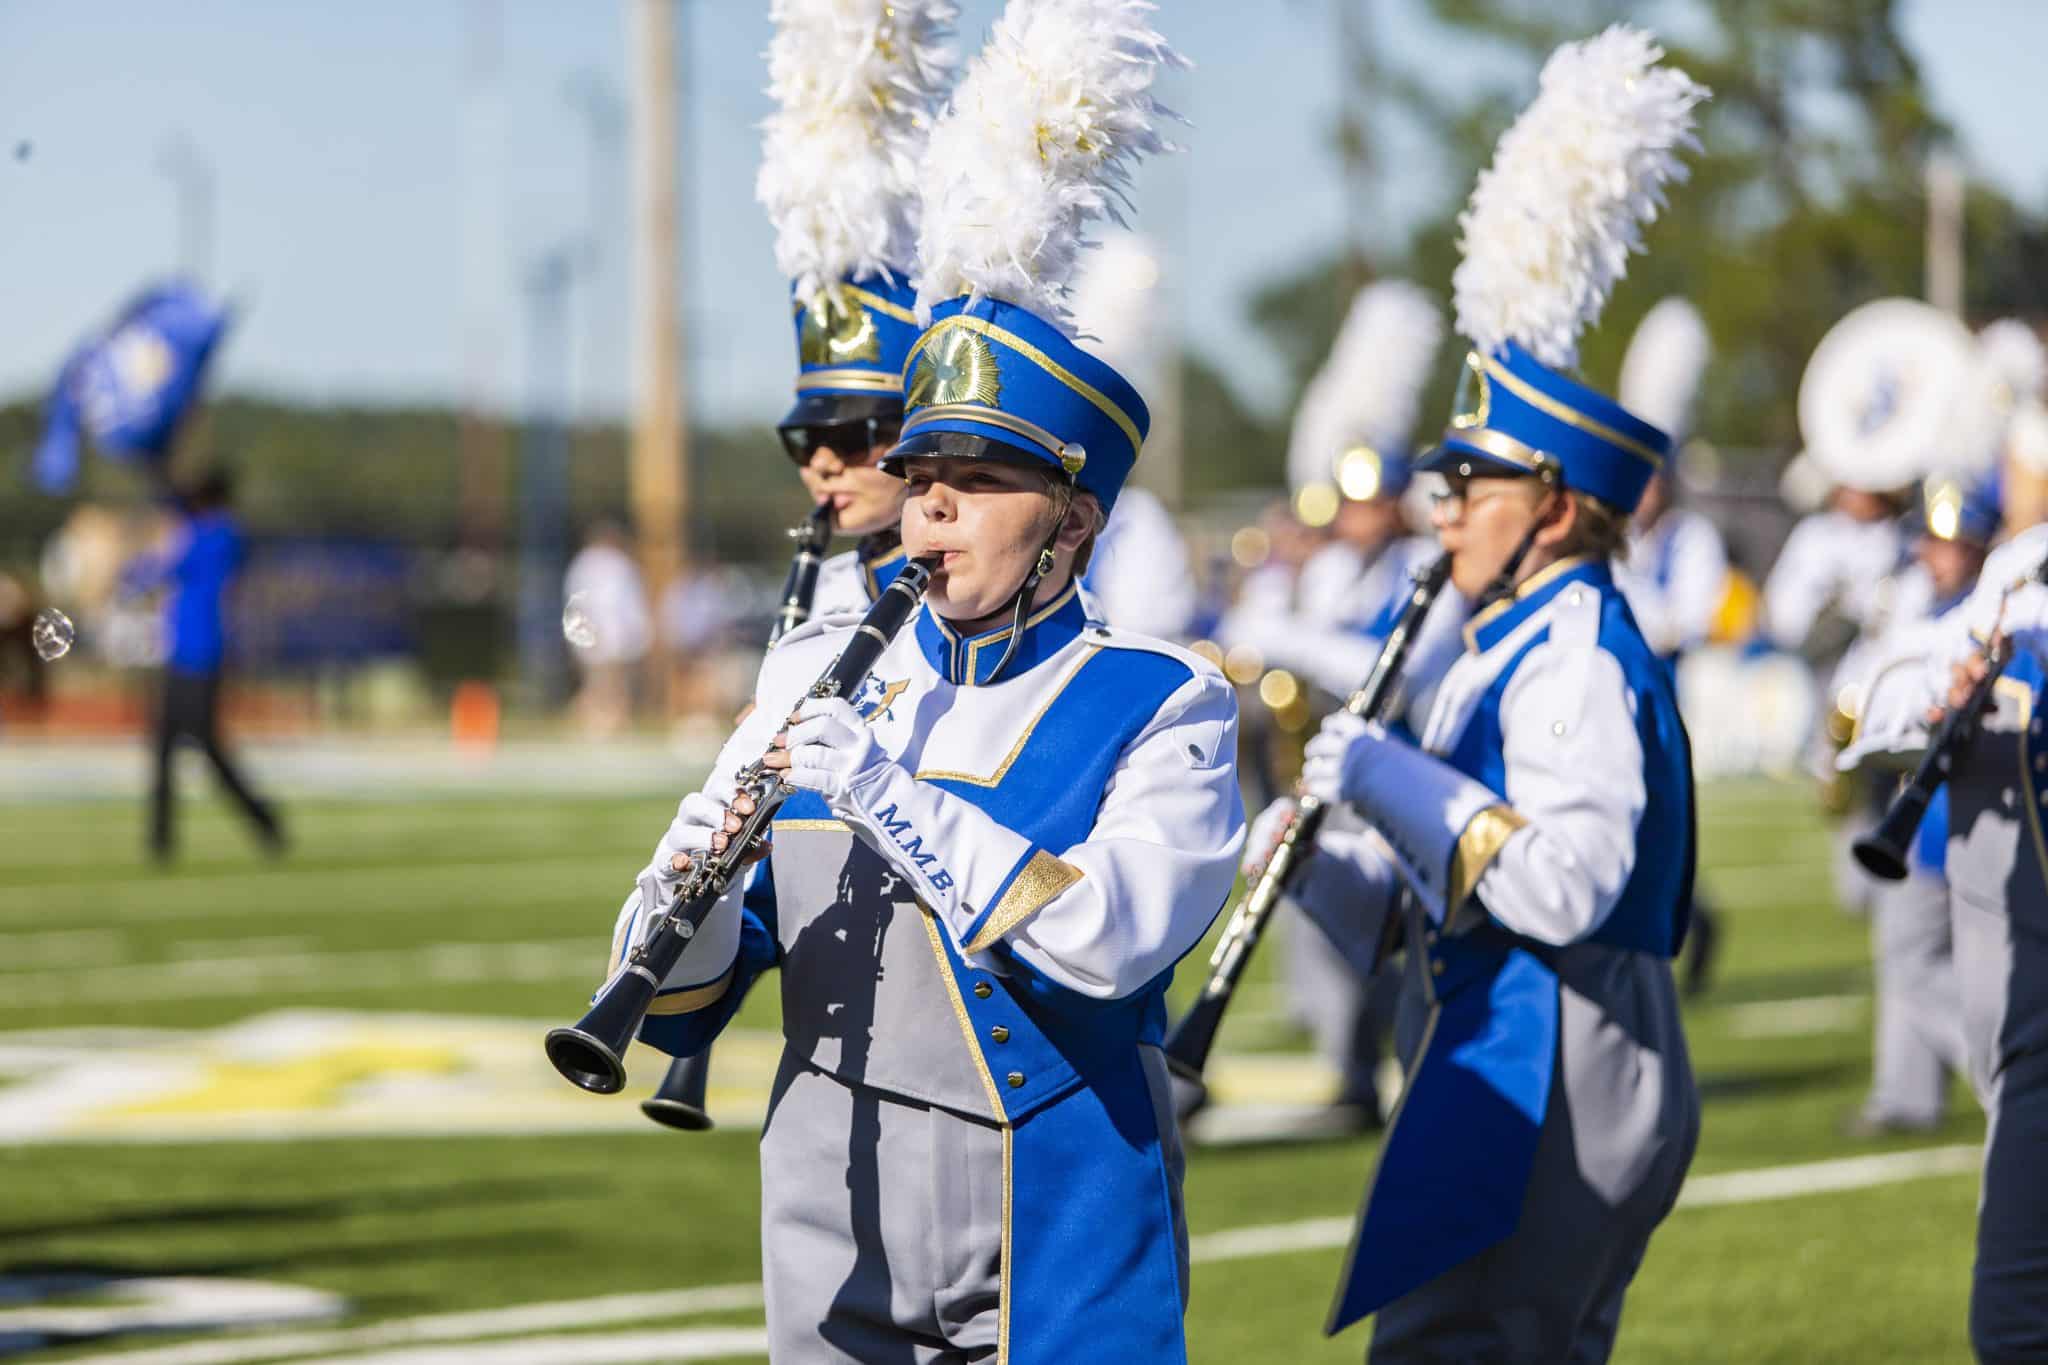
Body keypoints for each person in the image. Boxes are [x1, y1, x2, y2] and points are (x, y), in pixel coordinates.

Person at [606, 5, 1236, 1357]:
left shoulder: (1163, 701)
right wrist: (676, 893)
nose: (932, 510)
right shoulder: (817, 674)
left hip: (1048, 1209)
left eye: (979, 482)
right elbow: (700, 985)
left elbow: (1110, 939)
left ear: (1071, 523)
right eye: (924, 478)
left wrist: (883, 793)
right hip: (829, 1198)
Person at [1270, 27, 1706, 1358]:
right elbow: (1445, 904)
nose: (1443, 509)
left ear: (1557, 508)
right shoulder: (1500, 645)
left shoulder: (1574, 654)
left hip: (1563, 1047)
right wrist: (1311, 860)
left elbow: (1564, 886)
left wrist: (1389, 774)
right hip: (1505, 1026)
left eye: (1474, 487)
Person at [1836, 473, 1991, 1137]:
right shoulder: (1914, 603)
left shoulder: (1991, 614)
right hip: (1918, 802)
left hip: (1965, 809)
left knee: (1919, 954)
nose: (1932, 553)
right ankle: (1906, 1093)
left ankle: (2011, 1076)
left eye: (1948, 541)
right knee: (1903, 949)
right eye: (1929, 540)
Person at [121, 469, 283, 863]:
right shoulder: (201, 532)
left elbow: (166, 565)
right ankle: (161, 843)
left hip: (203, 655)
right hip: (180, 655)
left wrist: (134, 573)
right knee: (163, 746)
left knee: (208, 747)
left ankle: (263, 819)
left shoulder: (220, 536)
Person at [562, 521, 653, 736]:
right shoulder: (587, 563)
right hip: (596, 630)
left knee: (615, 680)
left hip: (616, 633)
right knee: (599, 679)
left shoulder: (620, 564)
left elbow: (630, 601)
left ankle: (612, 720)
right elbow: (578, 600)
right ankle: (594, 718)